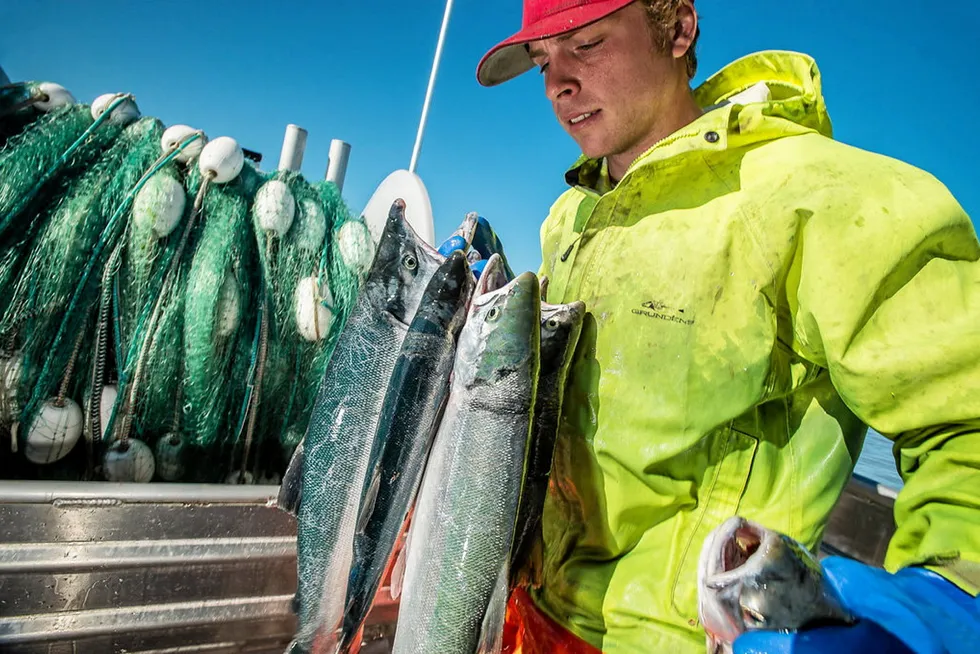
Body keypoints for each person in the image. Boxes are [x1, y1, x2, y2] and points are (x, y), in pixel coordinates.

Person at [446, 1, 980, 652]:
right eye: (542, 62)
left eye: (585, 44)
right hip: (530, 613)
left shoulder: (818, 196)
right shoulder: (570, 218)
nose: (559, 82)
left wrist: (942, 604)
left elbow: (965, 416)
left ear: (677, 29)